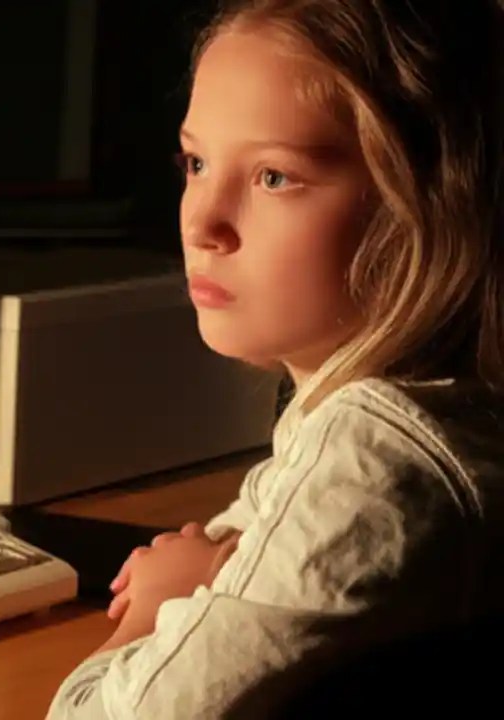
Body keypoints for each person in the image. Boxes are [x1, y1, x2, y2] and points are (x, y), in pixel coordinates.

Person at [46, 0, 504, 717]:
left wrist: (156, 609)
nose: (201, 222)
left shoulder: (374, 459)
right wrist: (203, 573)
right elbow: (247, 536)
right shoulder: (414, 418)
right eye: (196, 162)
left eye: (274, 177)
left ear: (426, 206)